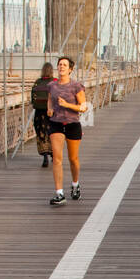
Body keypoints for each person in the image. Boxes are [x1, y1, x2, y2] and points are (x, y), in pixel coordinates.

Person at [47, 55, 87, 206]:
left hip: (72, 124)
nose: (61, 67)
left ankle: (75, 184)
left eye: (64, 65)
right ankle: (59, 194)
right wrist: (49, 109)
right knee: (57, 159)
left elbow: (83, 107)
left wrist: (67, 105)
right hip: (56, 123)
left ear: (70, 69)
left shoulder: (76, 86)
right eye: (59, 64)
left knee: (73, 159)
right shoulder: (52, 85)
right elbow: (50, 100)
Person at [30, 61, 54, 167]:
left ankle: (45, 157)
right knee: (53, 133)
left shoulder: (37, 82)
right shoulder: (55, 82)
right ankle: (54, 154)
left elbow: (32, 99)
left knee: (41, 134)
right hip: (52, 113)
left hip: (39, 113)